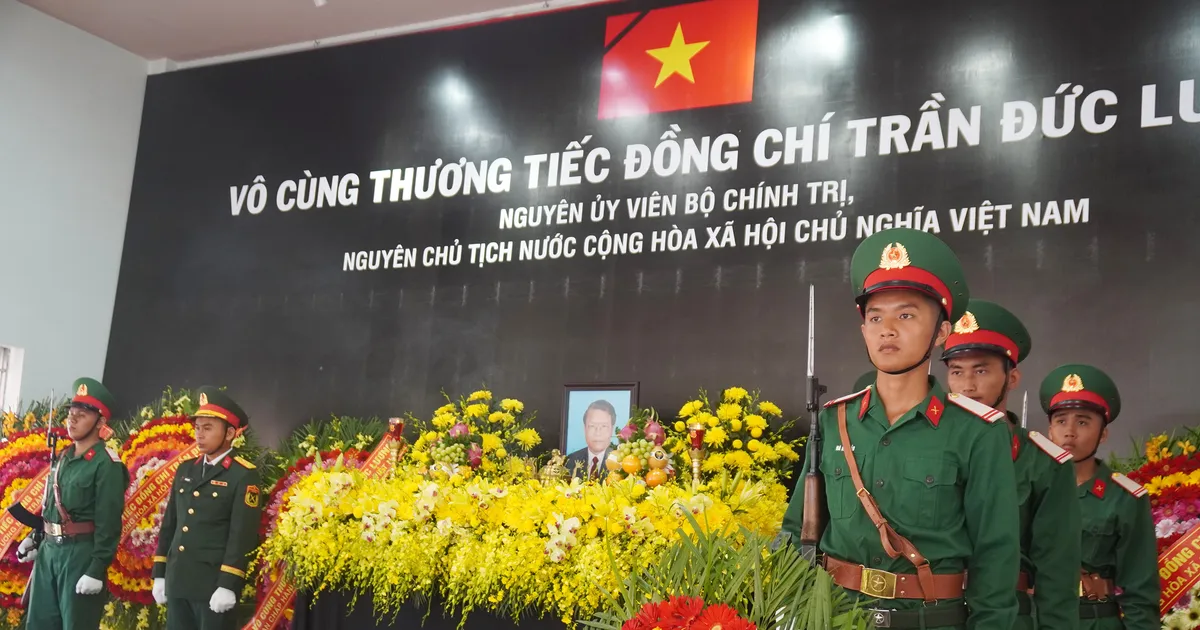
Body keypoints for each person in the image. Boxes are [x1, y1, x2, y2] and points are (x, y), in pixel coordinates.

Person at [782, 227, 1020, 629]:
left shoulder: (976, 433)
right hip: (835, 616)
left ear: (942, 332)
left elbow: (995, 560)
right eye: (875, 316)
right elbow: (797, 531)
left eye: (906, 314)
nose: (886, 328)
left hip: (931, 619)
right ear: (863, 330)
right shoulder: (833, 420)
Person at [942, 299, 1080, 630]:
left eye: (981, 370)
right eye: (957, 371)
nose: (967, 385)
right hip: (931, 612)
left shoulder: (1045, 463)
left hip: (1008, 617)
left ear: (1012, 377)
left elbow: (1057, 578)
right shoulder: (920, 445)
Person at [1041, 365, 1158, 628]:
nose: (1069, 431)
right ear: (1049, 431)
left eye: (1082, 422)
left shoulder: (1125, 498)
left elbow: (1140, 592)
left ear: (1103, 434)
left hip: (1092, 619)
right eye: (1061, 421)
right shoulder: (1026, 490)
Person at [20, 377, 130, 630]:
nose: (73, 419)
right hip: (49, 552)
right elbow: (52, 507)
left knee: (75, 625)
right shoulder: (63, 458)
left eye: (82, 415)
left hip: (80, 554)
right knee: (39, 623)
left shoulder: (106, 464)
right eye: (71, 413)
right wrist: (36, 537)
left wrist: (96, 567)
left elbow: (109, 522)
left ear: (100, 422)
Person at [152, 387, 261, 630]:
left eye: (208, 428)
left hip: (213, 587)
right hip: (179, 580)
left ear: (230, 433)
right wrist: (160, 573)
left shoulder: (243, 475)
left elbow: (241, 536)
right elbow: (171, 524)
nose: (199, 434)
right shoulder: (185, 470)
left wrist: (228, 584)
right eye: (197, 427)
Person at [565, 399, 616, 480]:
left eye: (604, 426)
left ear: (612, 429)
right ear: (585, 428)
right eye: (592, 426)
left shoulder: (620, 462)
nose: (598, 433)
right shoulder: (571, 460)